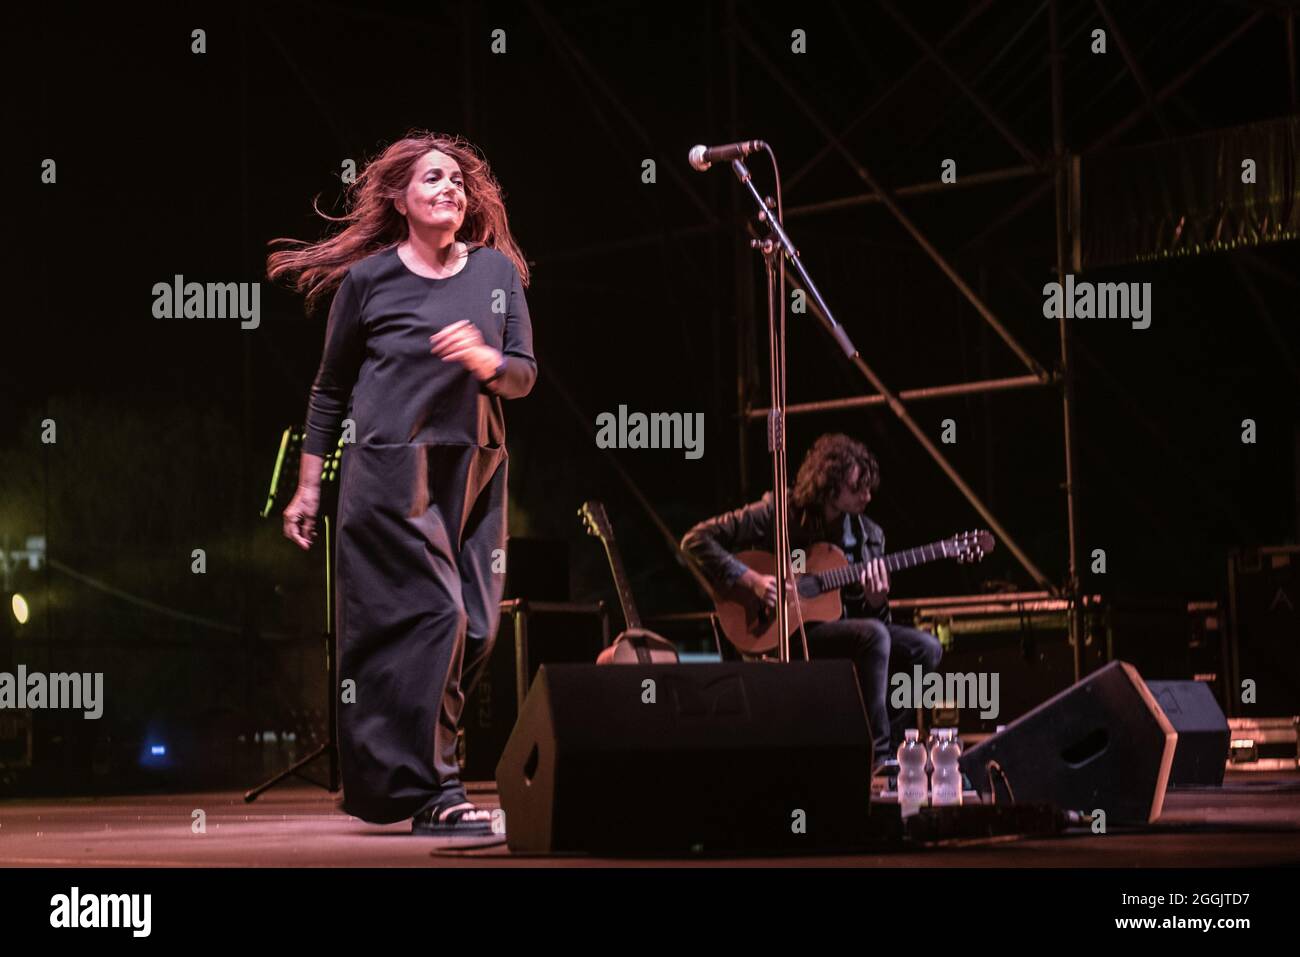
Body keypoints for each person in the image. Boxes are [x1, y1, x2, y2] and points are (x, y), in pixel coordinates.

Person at [267, 131, 536, 837]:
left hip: (475, 465)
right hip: (390, 468)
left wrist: (485, 358)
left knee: (476, 628)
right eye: (432, 179)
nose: (451, 188)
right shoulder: (369, 282)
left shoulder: (497, 275)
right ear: (400, 199)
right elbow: (329, 391)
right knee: (439, 618)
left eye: (457, 180)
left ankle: (413, 777)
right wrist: (307, 488)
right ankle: (437, 789)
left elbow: (523, 375)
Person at [680, 433, 942, 774]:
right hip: (785, 631)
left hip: (843, 630)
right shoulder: (778, 512)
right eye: (856, 488)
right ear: (829, 487)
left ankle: (891, 746)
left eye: (868, 487)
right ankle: (876, 755)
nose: (867, 496)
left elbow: (870, 616)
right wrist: (753, 581)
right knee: (875, 635)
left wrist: (876, 599)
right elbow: (695, 540)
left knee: (927, 647)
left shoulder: (869, 536)